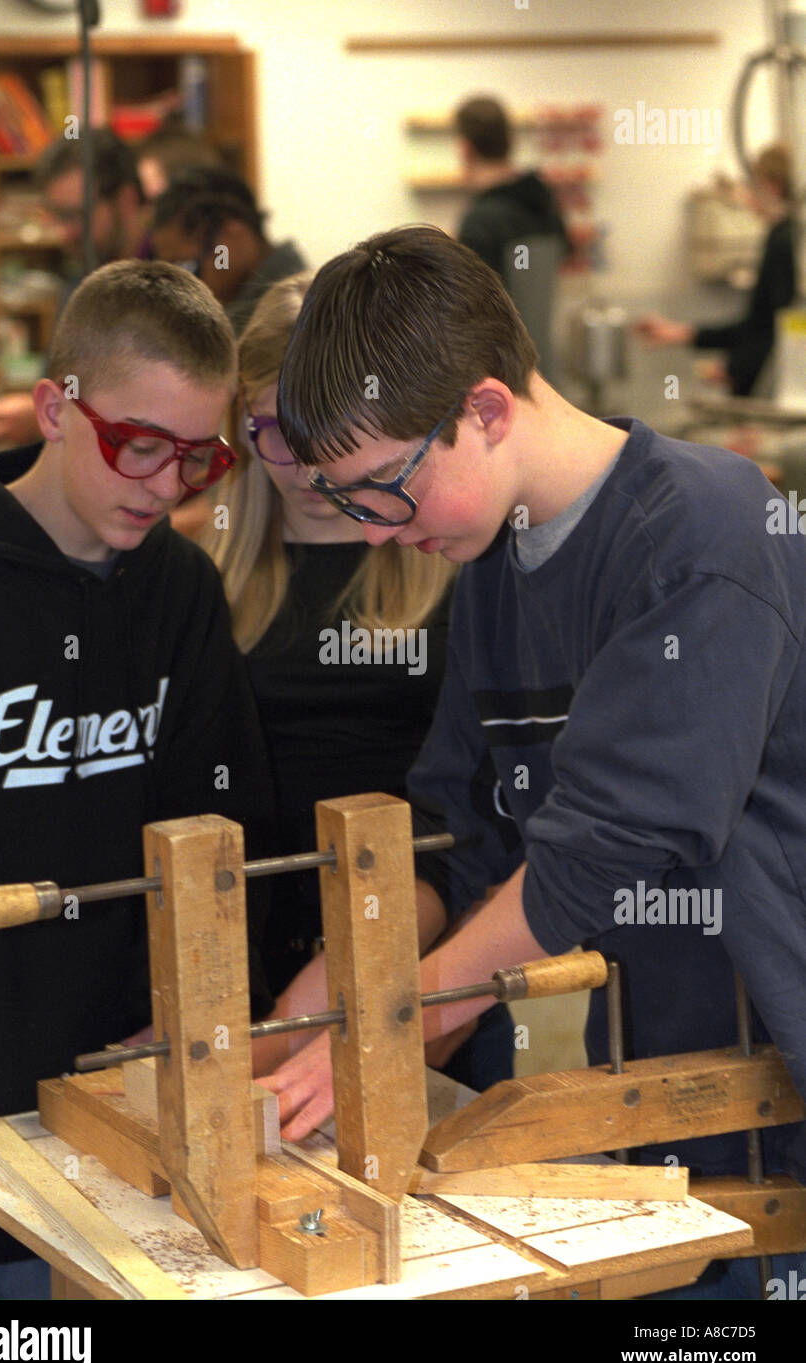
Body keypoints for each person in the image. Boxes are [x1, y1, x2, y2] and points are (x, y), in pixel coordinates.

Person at [258, 225, 806, 1300]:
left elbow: (606, 845)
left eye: (383, 486)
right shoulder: (498, 564)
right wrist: (300, 1024)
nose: (373, 534)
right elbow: (455, 841)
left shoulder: (707, 528)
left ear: (487, 408)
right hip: (657, 1091)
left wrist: (398, 1023)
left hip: (777, 1089)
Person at [0, 259, 274, 1291]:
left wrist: (200, 1019)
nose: (165, 485)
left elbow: (221, 827)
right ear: (53, 407)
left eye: (197, 459)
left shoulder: (178, 589)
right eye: (137, 446)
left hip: (118, 1105)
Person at [201, 272, 515, 1089]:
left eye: (330, 436)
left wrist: (452, 993)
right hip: (253, 951)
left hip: (432, 943)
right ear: (240, 422)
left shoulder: (451, 558)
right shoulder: (206, 571)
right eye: (275, 432)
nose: (308, 469)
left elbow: (493, 806)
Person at [0, 132, 147, 451]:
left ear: (125, 200)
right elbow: (62, 386)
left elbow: (151, 413)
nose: (65, 231)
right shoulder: (79, 284)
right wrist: (37, 410)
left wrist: (45, 416)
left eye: (76, 215)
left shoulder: (172, 286)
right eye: (57, 215)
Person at [637, 143, 796, 397]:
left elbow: (781, 329)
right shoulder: (785, 236)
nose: (746, 197)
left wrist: (738, 369)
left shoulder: (785, 241)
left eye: (752, 184)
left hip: (778, 388)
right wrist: (681, 333)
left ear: (771, 185)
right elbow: (763, 323)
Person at [455, 95, 570, 380]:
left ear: (465, 149)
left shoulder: (481, 222)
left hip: (504, 383)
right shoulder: (544, 204)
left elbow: (472, 318)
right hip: (548, 375)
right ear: (510, 142)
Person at [150, 171, 306, 337]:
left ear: (232, 229)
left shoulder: (288, 310)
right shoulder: (249, 306)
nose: (188, 285)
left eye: (190, 266)